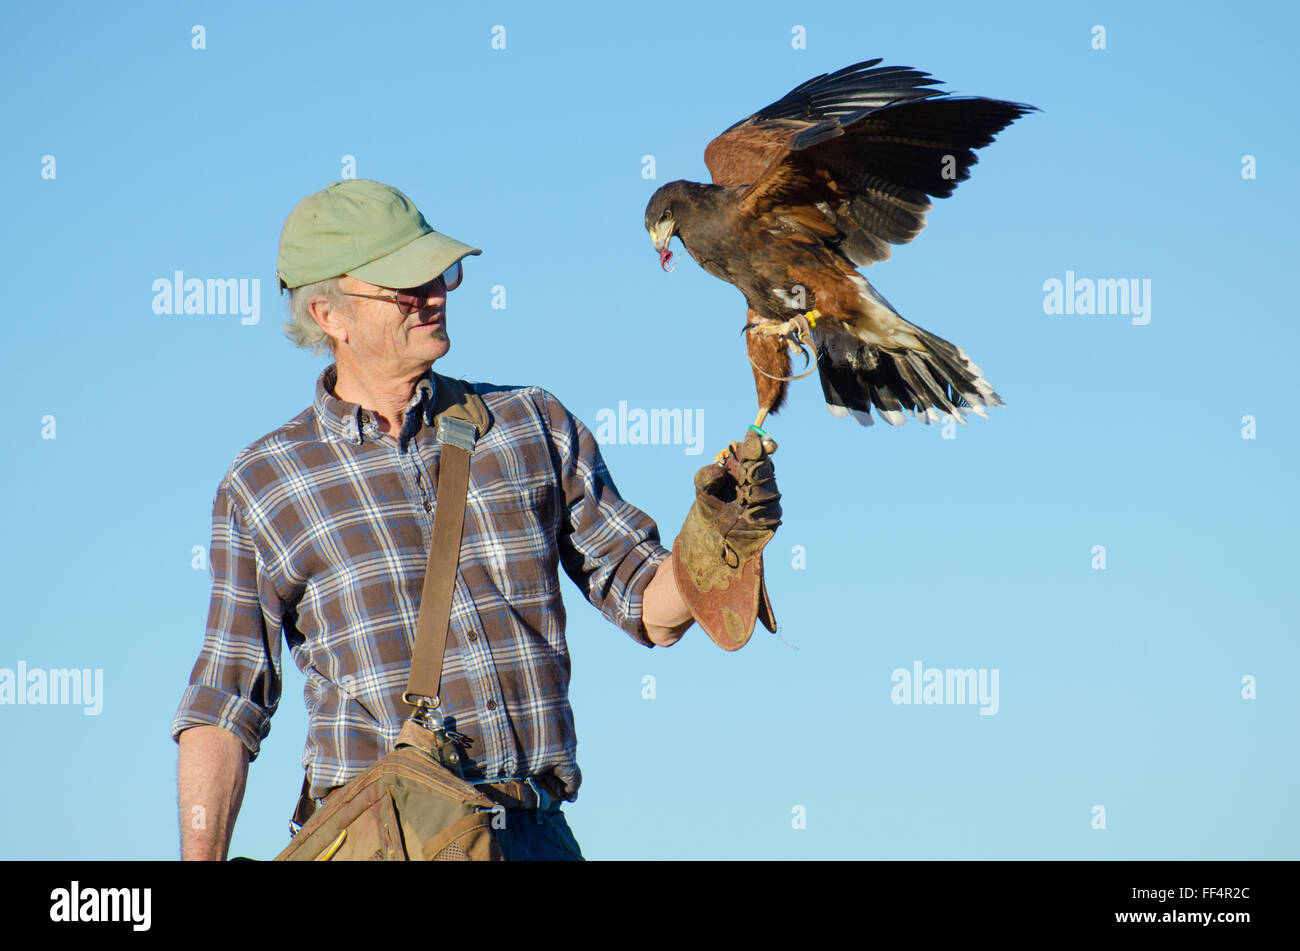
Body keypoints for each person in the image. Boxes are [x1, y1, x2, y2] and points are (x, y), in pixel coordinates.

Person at [171, 179, 781, 861]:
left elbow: (654, 609)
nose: (436, 295)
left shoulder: (532, 423)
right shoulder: (265, 483)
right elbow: (225, 705)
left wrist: (716, 535)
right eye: (407, 286)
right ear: (328, 313)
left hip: (536, 832)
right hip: (386, 841)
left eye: (441, 274)